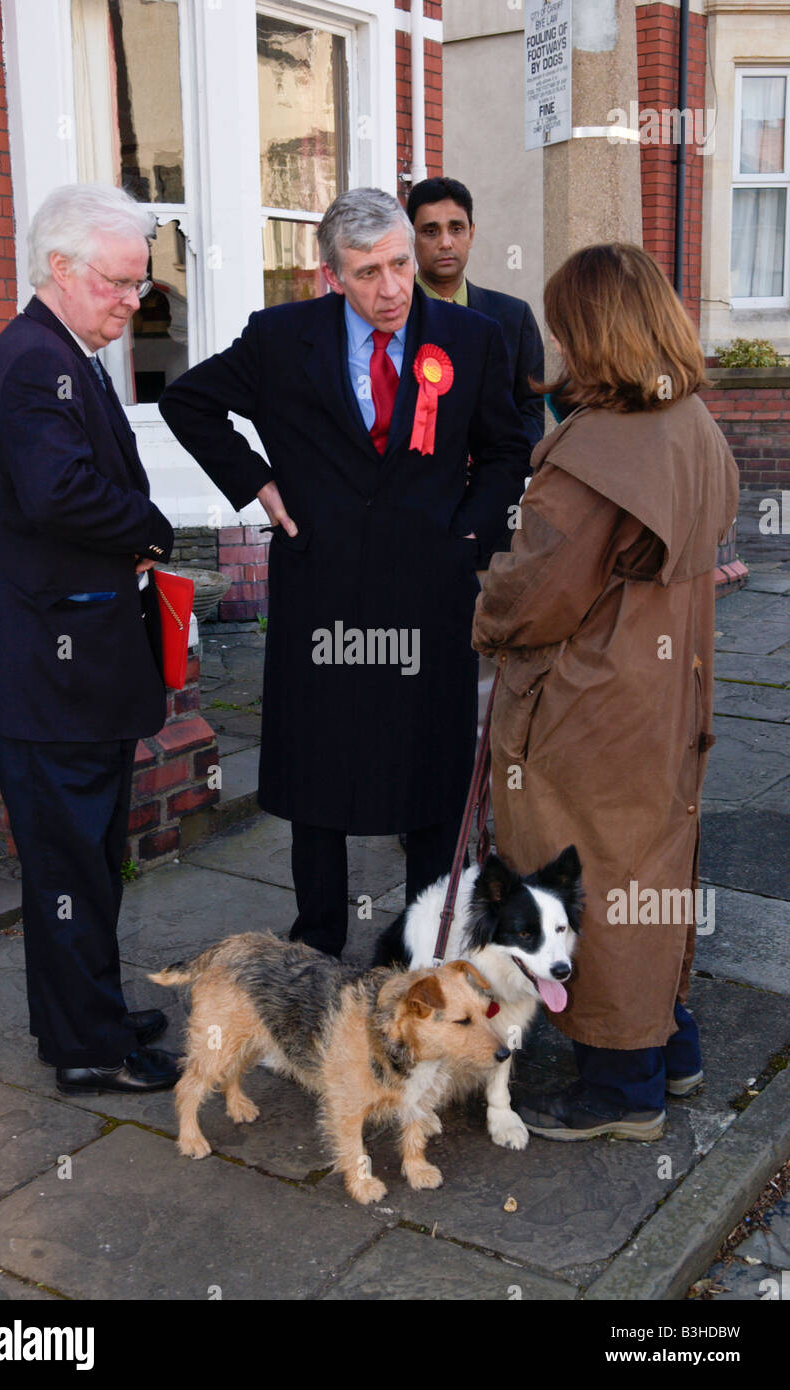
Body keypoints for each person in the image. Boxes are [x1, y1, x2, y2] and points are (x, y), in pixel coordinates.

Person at [160, 187, 530, 958]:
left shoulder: (470, 338)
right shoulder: (278, 336)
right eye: (366, 273)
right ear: (330, 275)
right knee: (318, 776)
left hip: (429, 593)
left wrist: (466, 534)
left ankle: (422, 946)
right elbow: (189, 401)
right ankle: (316, 943)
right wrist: (259, 485)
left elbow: (503, 451)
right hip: (320, 590)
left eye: (399, 264)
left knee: (429, 777)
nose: (390, 287)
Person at [471, 243, 739, 1139]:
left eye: (565, 326)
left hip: (594, 698)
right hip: (670, 686)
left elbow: (539, 591)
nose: (560, 344)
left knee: (591, 873)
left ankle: (621, 1088)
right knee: (651, 865)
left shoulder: (598, 446)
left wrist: (486, 612)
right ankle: (672, 1049)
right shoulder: (690, 421)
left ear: (592, 330)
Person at [0, 183, 180, 1096]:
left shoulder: (58, 352)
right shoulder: (37, 363)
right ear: (61, 269)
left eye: (140, 285)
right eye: (121, 283)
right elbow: (61, 495)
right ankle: (88, 1050)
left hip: (63, 666)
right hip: (46, 673)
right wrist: (153, 528)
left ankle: (94, 1013)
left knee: (83, 859)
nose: (135, 300)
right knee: (69, 868)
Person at [407, 176, 544, 458]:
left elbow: (529, 412)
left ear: (471, 234)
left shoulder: (513, 317)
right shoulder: (391, 317)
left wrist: (501, 470)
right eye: (430, 231)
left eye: (456, 229)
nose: (445, 243)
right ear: (411, 237)